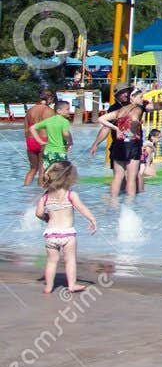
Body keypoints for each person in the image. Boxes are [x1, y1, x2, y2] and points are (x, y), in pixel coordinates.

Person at [34, 161, 96, 294]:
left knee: (51, 261)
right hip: (67, 234)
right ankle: (72, 285)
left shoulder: (45, 196)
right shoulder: (70, 195)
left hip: (51, 234)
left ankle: (48, 287)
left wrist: (46, 218)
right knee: (70, 260)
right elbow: (82, 208)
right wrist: (92, 219)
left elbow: (38, 213)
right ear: (69, 178)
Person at [97, 90, 148, 200]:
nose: (142, 99)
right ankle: (130, 203)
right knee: (131, 178)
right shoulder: (137, 109)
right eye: (140, 97)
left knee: (117, 176)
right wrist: (136, 123)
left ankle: (113, 201)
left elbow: (101, 119)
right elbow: (134, 119)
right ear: (132, 98)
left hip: (119, 144)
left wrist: (116, 128)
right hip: (132, 145)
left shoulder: (120, 110)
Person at [23, 88, 55, 187]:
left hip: (30, 140)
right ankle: (40, 193)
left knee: (33, 169)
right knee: (42, 170)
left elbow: (26, 129)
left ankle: (24, 190)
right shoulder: (50, 111)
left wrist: (28, 142)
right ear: (50, 98)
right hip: (43, 141)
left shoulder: (30, 111)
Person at [31, 99, 75, 169]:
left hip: (48, 152)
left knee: (48, 173)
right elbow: (65, 134)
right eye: (67, 109)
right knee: (61, 173)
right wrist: (70, 142)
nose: (69, 111)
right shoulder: (64, 121)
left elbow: (32, 128)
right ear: (59, 111)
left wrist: (40, 141)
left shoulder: (49, 120)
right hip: (59, 152)